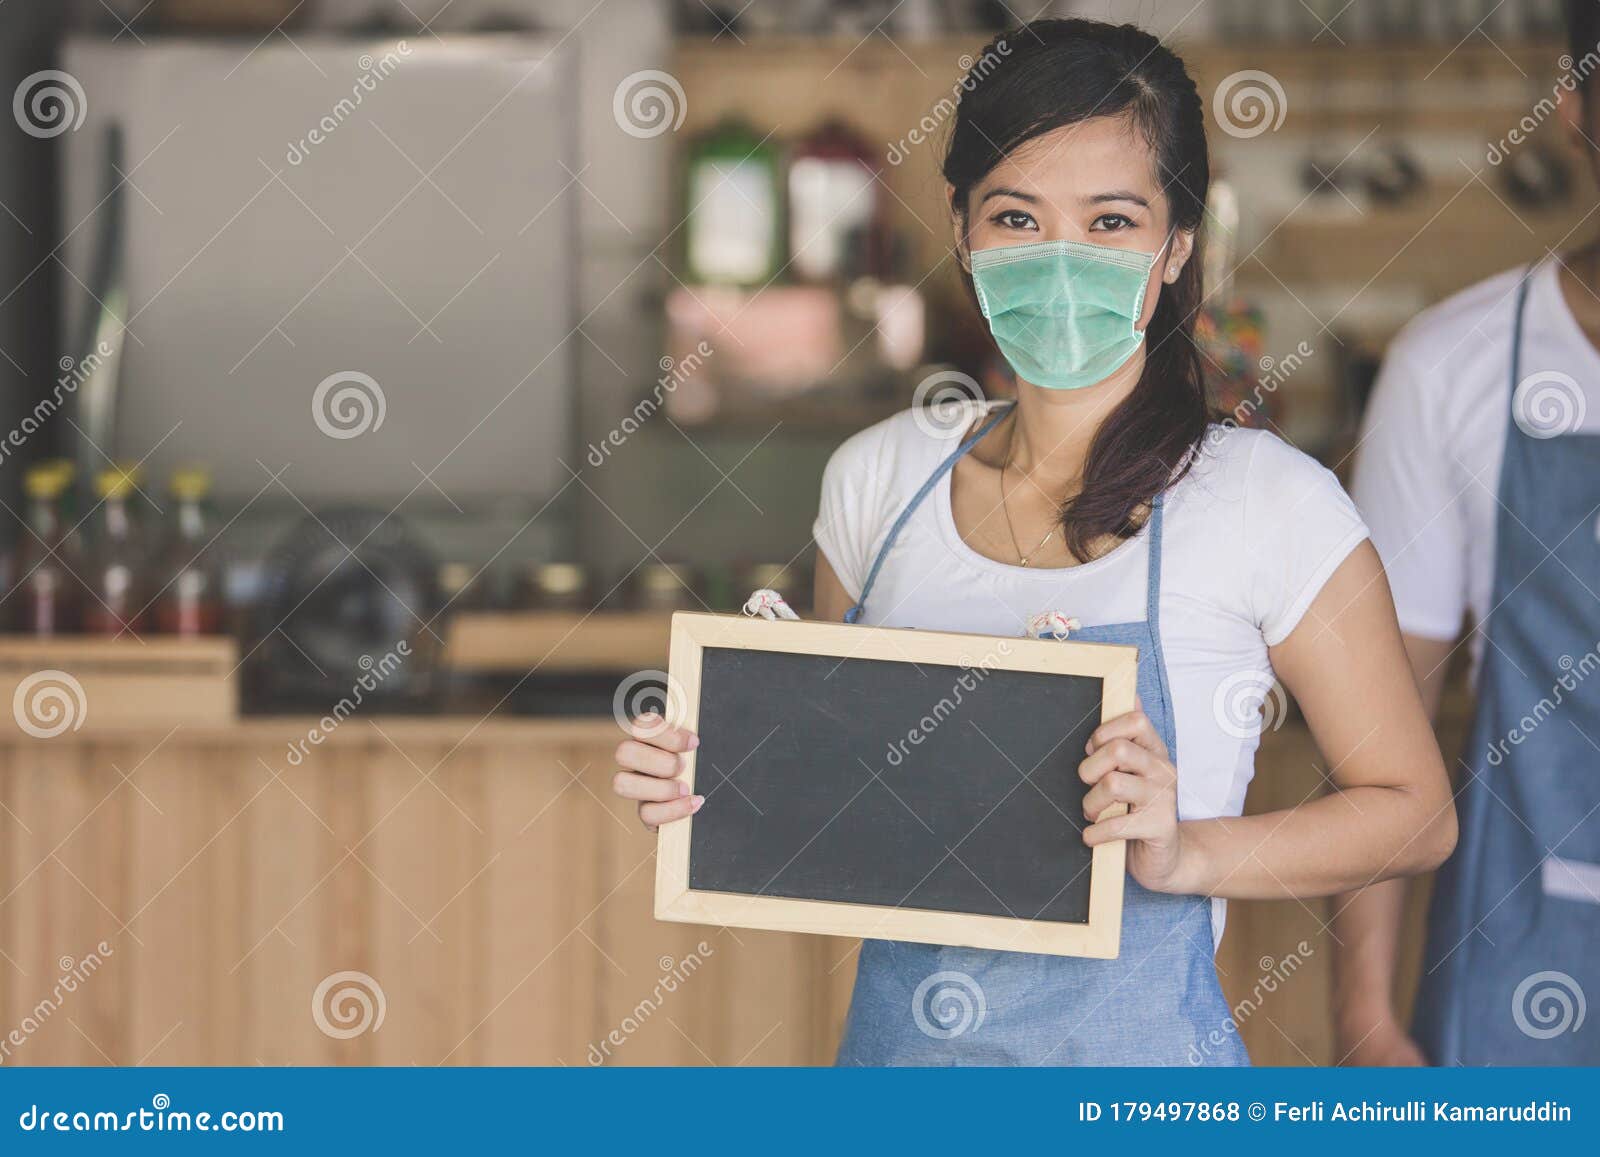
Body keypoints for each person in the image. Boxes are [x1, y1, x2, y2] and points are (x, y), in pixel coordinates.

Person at [614, 18, 1456, 1066]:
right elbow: (850, 802)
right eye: (1017, 216)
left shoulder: (1265, 501)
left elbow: (1414, 814)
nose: (1061, 261)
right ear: (962, 231)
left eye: (1111, 221)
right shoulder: (877, 481)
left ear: (1177, 247)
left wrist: (1185, 853)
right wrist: (716, 782)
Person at [1333, 1, 1600, 1069]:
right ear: (1575, 107)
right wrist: (1364, 1018)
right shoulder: (1453, 365)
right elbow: (1380, 713)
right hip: (1520, 955)